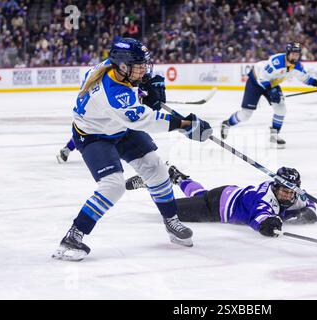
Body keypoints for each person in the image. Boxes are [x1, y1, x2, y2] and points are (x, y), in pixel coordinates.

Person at [52, 38, 212, 261]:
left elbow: (134, 102)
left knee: (156, 167)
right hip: (94, 136)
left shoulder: (113, 68)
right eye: (139, 67)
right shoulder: (111, 92)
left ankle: (171, 220)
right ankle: (73, 235)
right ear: (124, 67)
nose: (144, 70)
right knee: (113, 186)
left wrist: (144, 88)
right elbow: (145, 120)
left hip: (119, 127)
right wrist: (185, 125)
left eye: (144, 65)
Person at [126, 164, 317, 236]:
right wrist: (269, 224)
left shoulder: (294, 194)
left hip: (227, 193)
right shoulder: (264, 199)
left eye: (290, 192)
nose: (287, 195)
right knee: (169, 208)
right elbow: (260, 218)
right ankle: (152, 183)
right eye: (284, 191)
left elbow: (307, 202)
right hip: (216, 208)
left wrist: (309, 210)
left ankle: (177, 176)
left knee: (199, 195)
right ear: (276, 187)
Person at [220, 42, 317, 149]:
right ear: (288, 53)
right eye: (293, 54)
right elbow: (262, 78)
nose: (295, 57)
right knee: (246, 114)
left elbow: (306, 78)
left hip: (272, 83)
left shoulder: (296, 65)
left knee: (281, 109)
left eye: (297, 54)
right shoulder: (276, 62)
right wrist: (271, 91)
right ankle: (227, 124)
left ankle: (274, 135)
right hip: (256, 82)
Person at [56, 74, 167, 163]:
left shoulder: (117, 79)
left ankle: (67, 149)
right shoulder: (115, 84)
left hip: (101, 116)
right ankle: (68, 149)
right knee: (92, 130)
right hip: (100, 115)